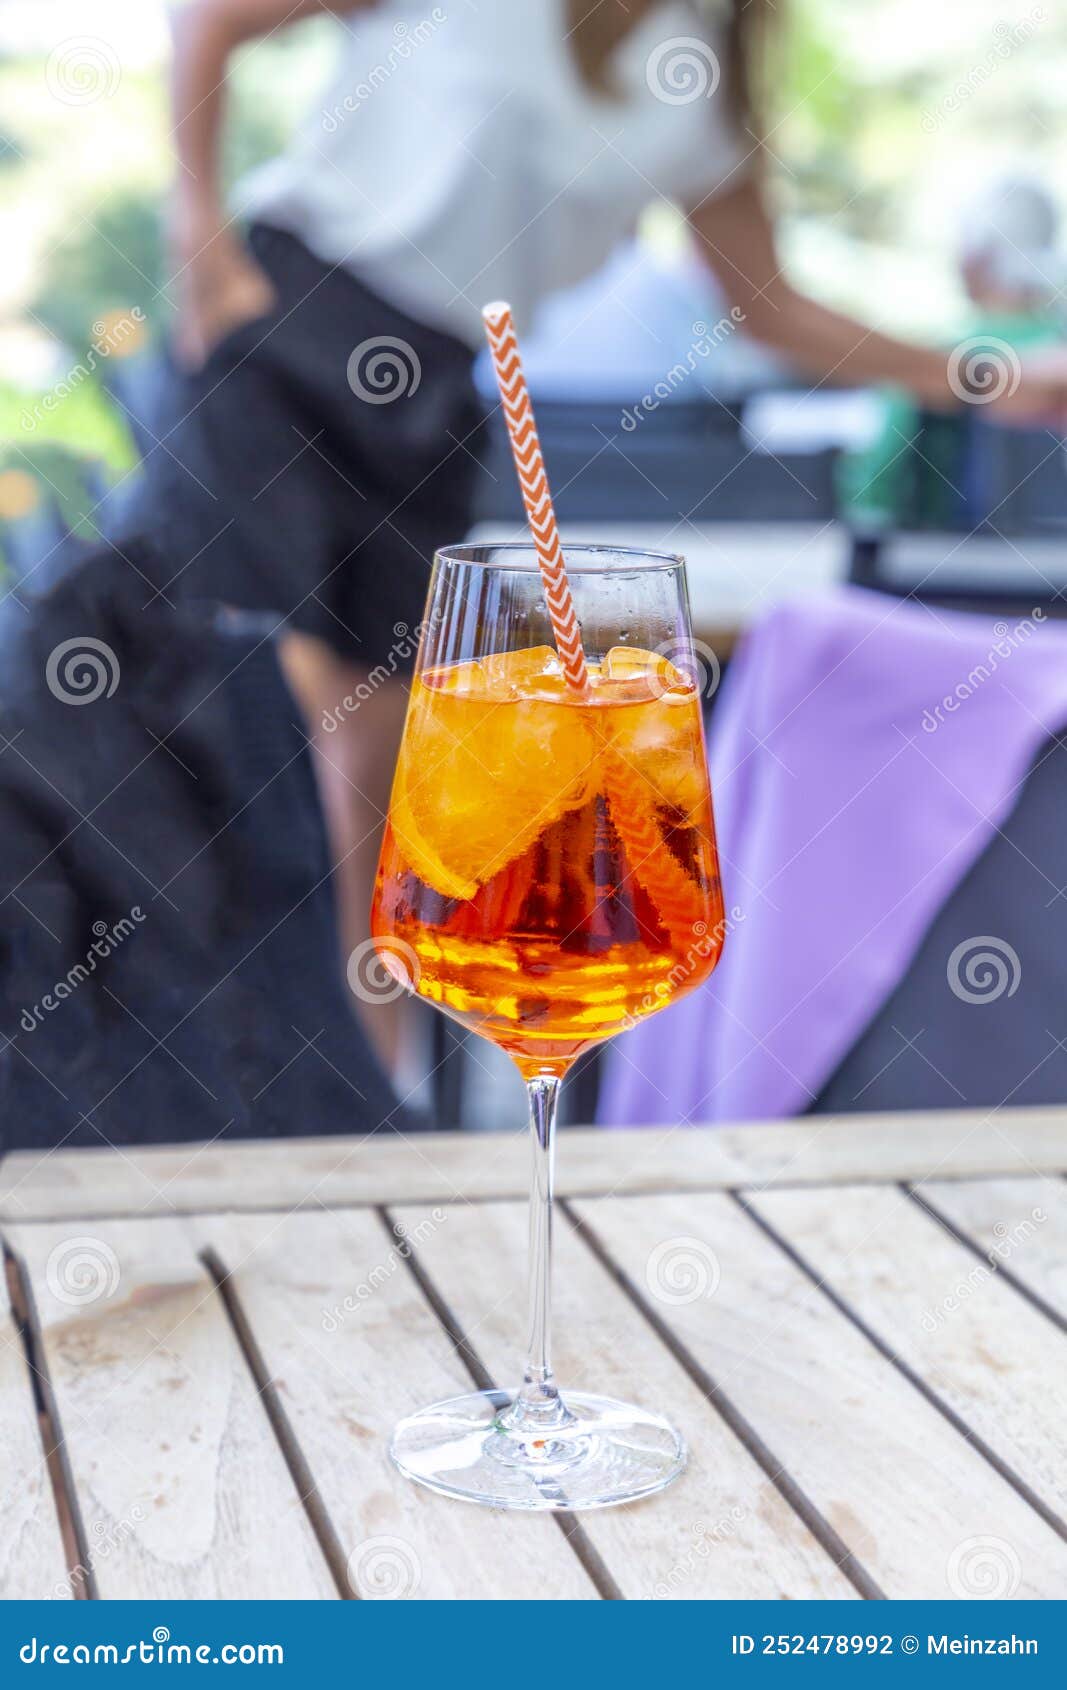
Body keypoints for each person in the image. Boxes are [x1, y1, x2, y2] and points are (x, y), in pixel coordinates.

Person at [160, 0, 1067, 1076]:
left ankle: (374, 1083)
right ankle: (226, 1067)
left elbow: (769, 306)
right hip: (282, 325)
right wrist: (198, 236)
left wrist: (983, 378)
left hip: (440, 382)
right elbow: (209, 18)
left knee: (382, 761)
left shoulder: (704, 81)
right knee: (251, 713)